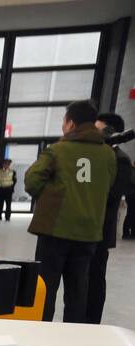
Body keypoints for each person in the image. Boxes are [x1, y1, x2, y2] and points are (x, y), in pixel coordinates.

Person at [24, 100, 116, 323]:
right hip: (88, 233)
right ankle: (73, 335)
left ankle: (43, 331)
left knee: (46, 287)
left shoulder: (58, 150)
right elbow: (109, 183)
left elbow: (31, 181)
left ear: (71, 123)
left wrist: (52, 195)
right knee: (77, 291)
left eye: (63, 122)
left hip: (56, 230)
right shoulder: (107, 154)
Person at [86, 113, 132, 322]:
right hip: (84, 228)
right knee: (81, 279)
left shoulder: (121, 159)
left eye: (98, 128)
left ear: (110, 131)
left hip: (101, 229)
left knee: (95, 279)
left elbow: (113, 194)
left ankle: (92, 321)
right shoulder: (93, 154)